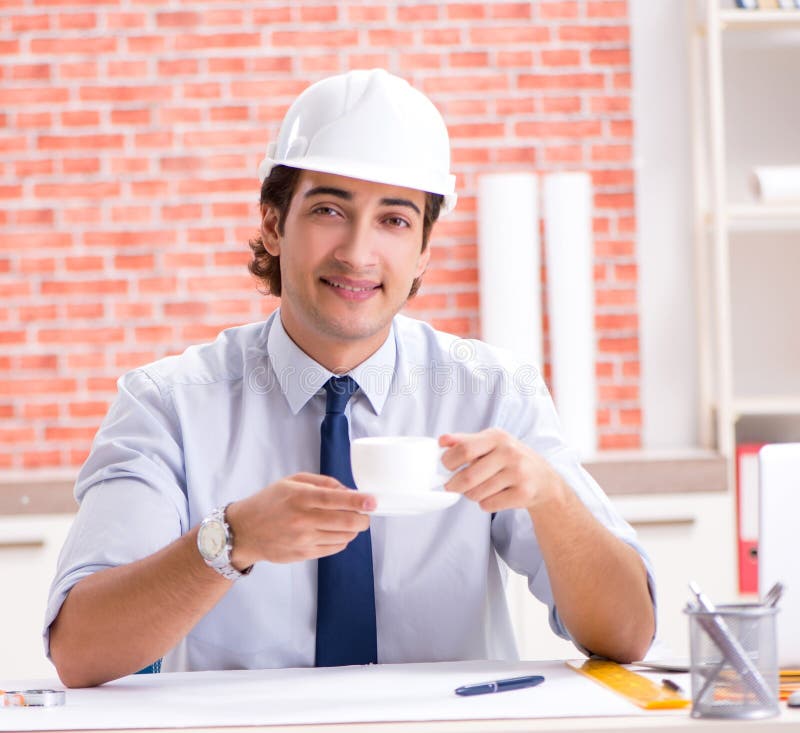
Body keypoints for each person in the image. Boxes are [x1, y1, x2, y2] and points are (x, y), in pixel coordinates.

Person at [45, 69, 656, 688]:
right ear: (275, 224)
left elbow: (628, 635)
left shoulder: (495, 393)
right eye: (330, 210)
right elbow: (80, 650)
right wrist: (230, 540)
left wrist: (549, 498)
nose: (358, 254)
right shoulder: (166, 404)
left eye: (393, 220)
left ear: (422, 250)